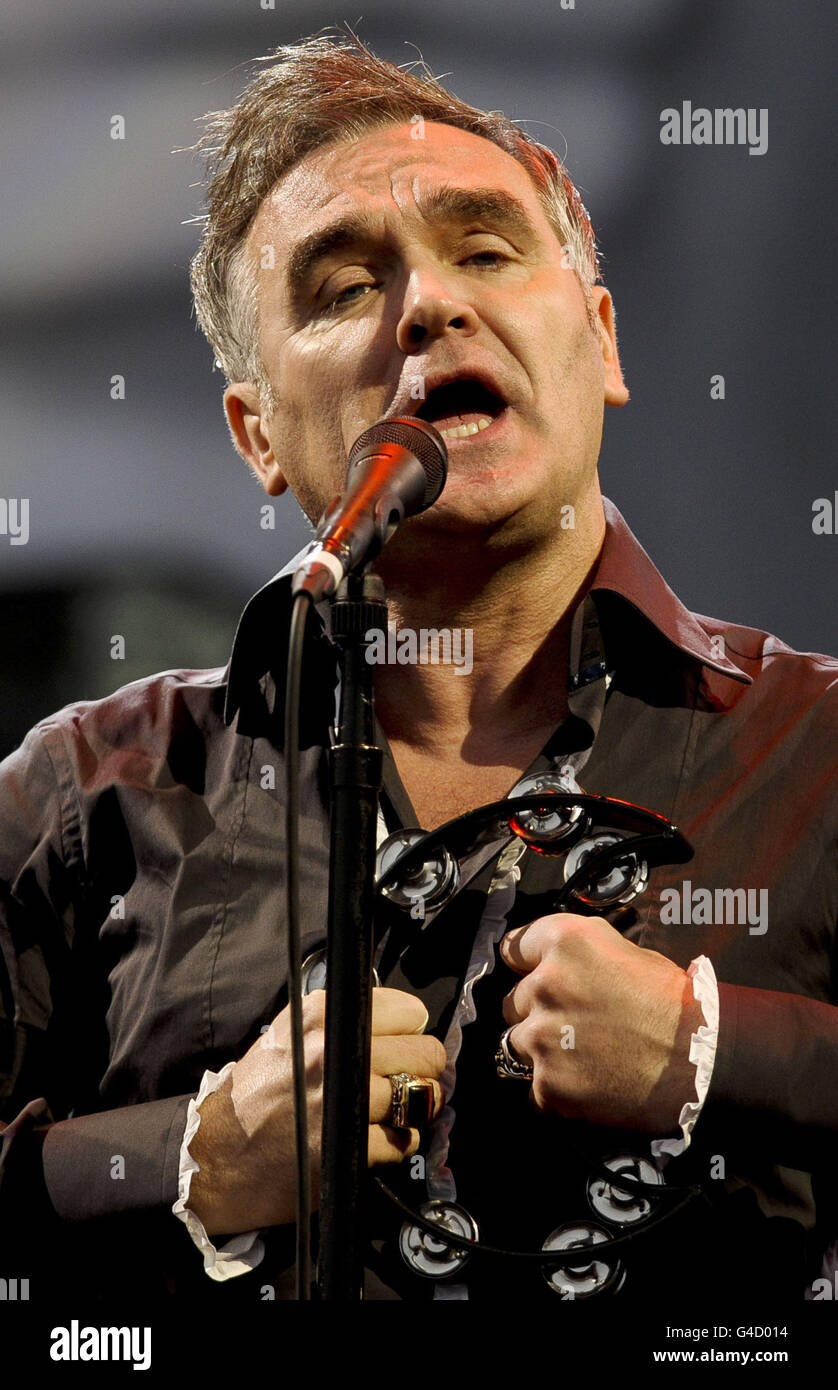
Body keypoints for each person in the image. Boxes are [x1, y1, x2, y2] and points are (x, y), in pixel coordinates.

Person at [1, 30, 836, 1306]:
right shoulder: (79, 793)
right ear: (257, 434)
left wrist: (718, 1053)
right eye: (340, 289)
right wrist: (190, 1161)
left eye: (488, 250)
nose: (429, 307)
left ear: (602, 344)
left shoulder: (815, 746)